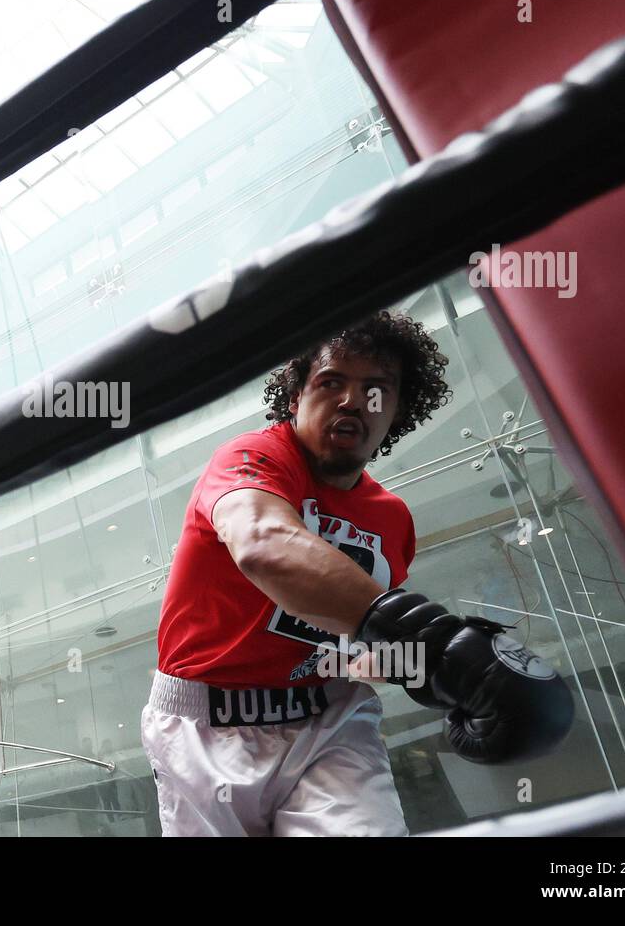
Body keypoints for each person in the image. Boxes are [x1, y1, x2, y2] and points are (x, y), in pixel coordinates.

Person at [141, 311, 571, 837]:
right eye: (330, 382)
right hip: (205, 725)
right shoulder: (255, 457)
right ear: (296, 398)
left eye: (375, 389)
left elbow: (361, 650)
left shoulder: (392, 518)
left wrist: (442, 673)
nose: (351, 400)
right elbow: (262, 542)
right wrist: (433, 640)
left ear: (396, 410)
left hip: (331, 719)